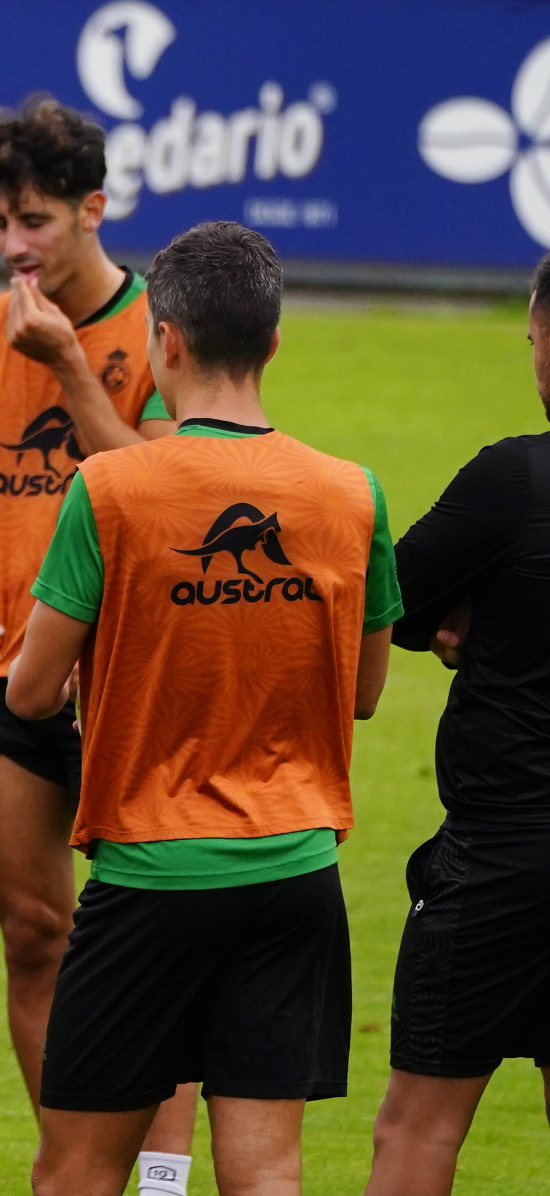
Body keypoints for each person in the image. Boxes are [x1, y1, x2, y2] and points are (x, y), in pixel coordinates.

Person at [7, 221, 400, 1196]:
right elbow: (358, 695)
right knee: (264, 1167)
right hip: (295, 869)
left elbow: (23, 691)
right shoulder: (352, 495)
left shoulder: (108, 488)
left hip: (149, 874)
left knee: (74, 1170)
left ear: (163, 342)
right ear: (271, 341)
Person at [0, 95, 199, 1192]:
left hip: (137, 679)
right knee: (32, 933)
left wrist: (69, 364)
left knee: (154, 940)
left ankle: (160, 1177)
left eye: (32, 219)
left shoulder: (166, 329)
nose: (14, 245)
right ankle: (75, 1159)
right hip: (2, 678)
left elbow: (162, 502)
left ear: (92, 208)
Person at [362, 251, 550, 1195]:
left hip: (502, 857)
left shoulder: (512, 480)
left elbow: (388, 598)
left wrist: (457, 624)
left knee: (418, 1129)